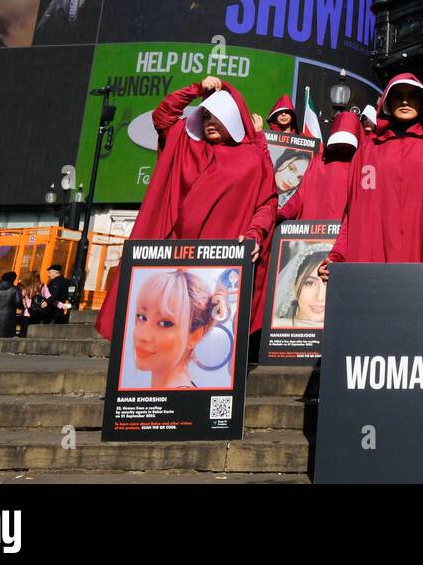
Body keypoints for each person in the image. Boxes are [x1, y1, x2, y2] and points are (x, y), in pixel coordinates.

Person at [95, 76, 278, 340]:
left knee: (206, 334)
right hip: (178, 255)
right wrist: (196, 89)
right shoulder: (186, 143)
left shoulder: (252, 158)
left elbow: (266, 202)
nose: (210, 123)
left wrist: (255, 234)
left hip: (221, 262)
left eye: (217, 117)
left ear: (233, 120)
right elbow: (163, 116)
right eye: (205, 117)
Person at [325, 73, 423, 276]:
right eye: (398, 96)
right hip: (375, 259)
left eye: (412, 96)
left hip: (422, 257)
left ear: (422, 102)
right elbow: (355, 211)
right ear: (387, 101)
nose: (405, 101)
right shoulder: (367, 151)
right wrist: (338, 254)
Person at [128, 269, 230, 390]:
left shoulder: (182, 401)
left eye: (165, 323)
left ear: (194, 336)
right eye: (142, 317)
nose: (143, 336)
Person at [276, 112, 361, 222]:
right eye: (338, 143)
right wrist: (282, 214)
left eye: (346, 145)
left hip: (343, 234)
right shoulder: (318, 162)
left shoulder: (361, 168)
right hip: (309, 235)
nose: (342, 148)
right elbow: (300, 196)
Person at [272, 246, 329, 329]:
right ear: (294, 285)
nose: (320, 297)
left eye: (328, 283)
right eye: (309, 283)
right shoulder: (276, 326)